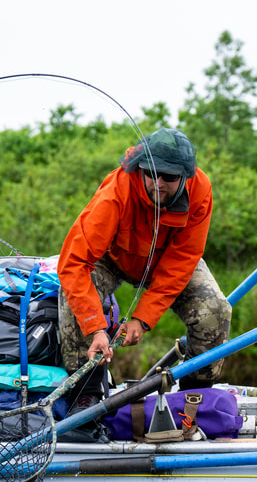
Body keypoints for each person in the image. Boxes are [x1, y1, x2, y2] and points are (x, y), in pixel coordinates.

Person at [56, 127, 232, 407]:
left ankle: (195, 398)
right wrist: (95, 329)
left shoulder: (201, 191)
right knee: (73, 295)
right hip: (113, 258)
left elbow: (182, 260)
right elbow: (74, 262)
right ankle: (84, 396)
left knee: (215, 309)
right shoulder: (116, 191)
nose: (158, 183)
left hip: (167, 262)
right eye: (151, 173)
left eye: (170, 177)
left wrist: (142, 318)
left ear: (186, 176)